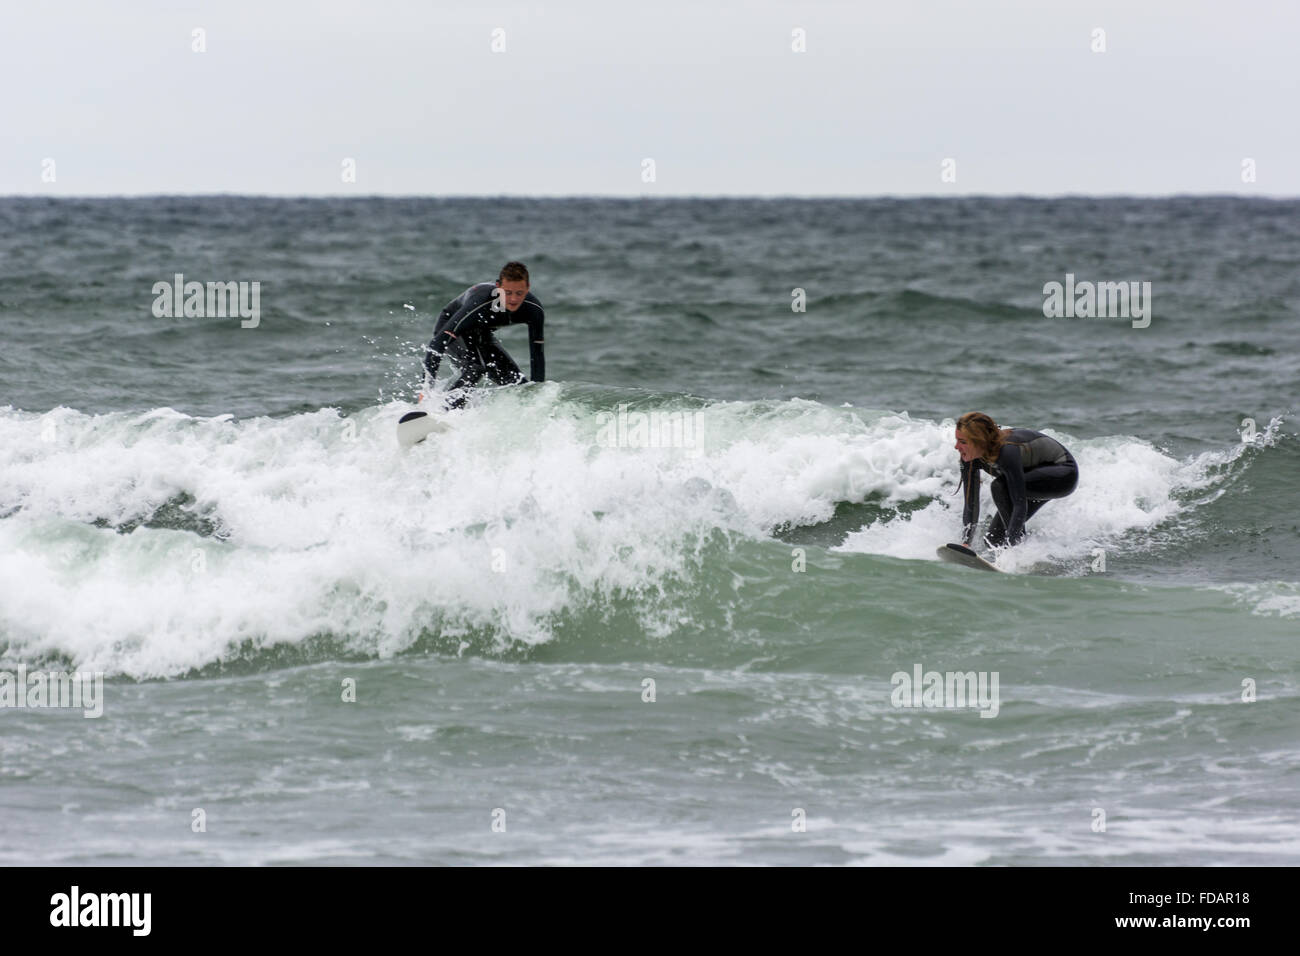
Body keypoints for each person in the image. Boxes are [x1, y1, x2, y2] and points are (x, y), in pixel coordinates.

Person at [421, 261, 545, 408]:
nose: (513, 299)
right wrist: (426, 388)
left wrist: (539, 397)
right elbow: (438, 342)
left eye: (519, 293)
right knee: (475, 368)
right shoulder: (482, 302)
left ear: (528, 288)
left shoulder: (534, 310)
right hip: (452, 326)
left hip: (481, 333)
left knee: (518, 385)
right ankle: (443, 411)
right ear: (499, 287)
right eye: (508, 292)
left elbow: (537, 357)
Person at [954, 412, 1078, 548]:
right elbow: (971, 502)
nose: (957, 447)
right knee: (994, 541)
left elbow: (1019, 504)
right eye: (957, 440)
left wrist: (1012, 550)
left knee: (999, 487)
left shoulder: (1007, 451)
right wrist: (966, 543)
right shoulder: (969, 458)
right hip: (1030, 476)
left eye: (963, 442)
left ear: (980, 441)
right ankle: (1027, 555)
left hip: (1063, 474)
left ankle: (1017, 551)